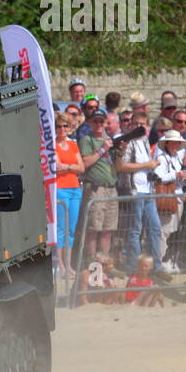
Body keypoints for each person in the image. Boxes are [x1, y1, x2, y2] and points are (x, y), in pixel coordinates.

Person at [117, 122, 165, 277]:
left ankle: (155, 267)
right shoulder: (127, 142)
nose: (141, 127)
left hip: (148, 190)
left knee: (155, 228)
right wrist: (147, 164)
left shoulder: (145, 141)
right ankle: (135, 267)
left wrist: (152, 168)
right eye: (137, 124)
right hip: (134, 191)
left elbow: (145, 166)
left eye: (144, 124)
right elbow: (122, 166)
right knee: (135, 231)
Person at [77, 110, 119, 268]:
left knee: (108, 229)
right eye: (96, 121)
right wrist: (102, 149)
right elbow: (85, 163)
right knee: (94, 228)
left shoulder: (110, 140)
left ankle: (105, 261)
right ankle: (92, 262)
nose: (99, 124)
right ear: (90, 122)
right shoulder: (87, 140)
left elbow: (117, 162)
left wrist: (120, 149)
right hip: (96, 188)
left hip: (111, 188)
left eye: (102, 121)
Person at [151, 130, 186, 272]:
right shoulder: (161, 157)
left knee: (172, 232)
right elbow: (159, 177)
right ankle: (160, 262)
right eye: (172, 141)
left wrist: (184, 178)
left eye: (177, 142)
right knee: (165, 231)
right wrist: (176, 174)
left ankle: (168, 261)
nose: (175, 144)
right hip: (167, 198)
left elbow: (179, 182)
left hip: (177, 198)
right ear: (166, 143)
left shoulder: (177, 157)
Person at [54, 113, 83, 282]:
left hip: (74, 189)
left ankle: (68, 264)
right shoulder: (53, 145)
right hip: (60, 189)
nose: (62, 129)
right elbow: (57, 168)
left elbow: (82, 168)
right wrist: (72, 167)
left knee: (71, 230)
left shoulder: (73, 144)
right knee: (61, 229)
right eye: (59, 126)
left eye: (65, 126)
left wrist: (68, 166)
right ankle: (61, 266)